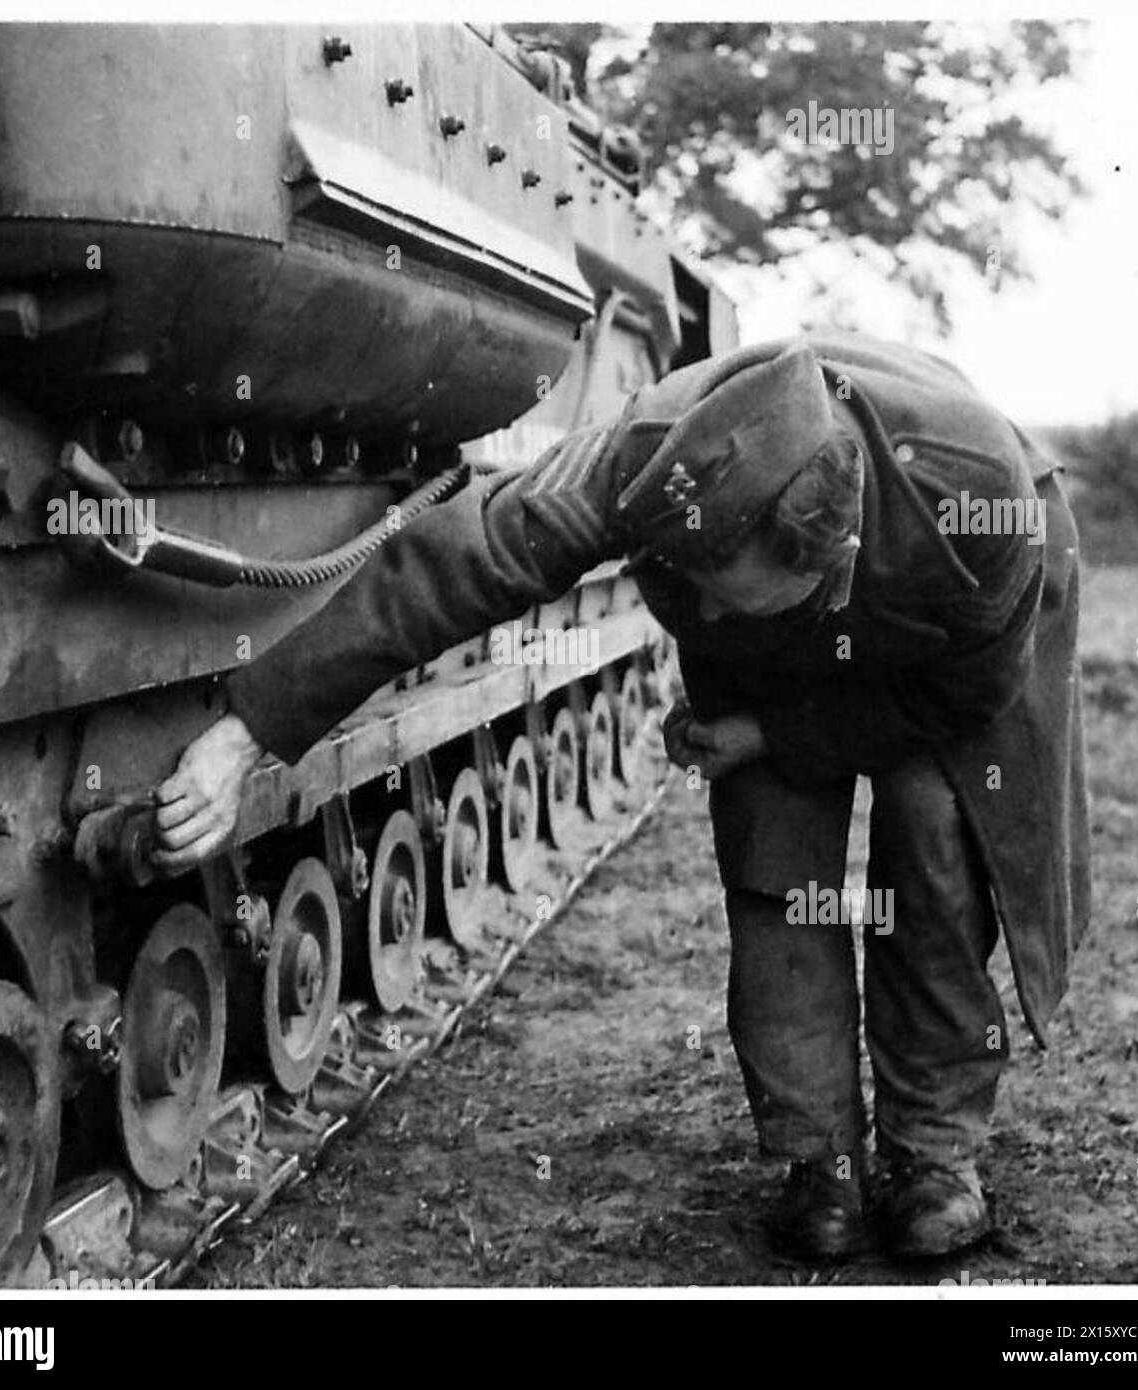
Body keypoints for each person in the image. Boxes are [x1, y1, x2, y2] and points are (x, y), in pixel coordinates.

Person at [153, 332, 1090, 1262]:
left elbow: (964, 697)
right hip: (802, 621)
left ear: (825, 558)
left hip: (949, 634)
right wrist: (248, 736)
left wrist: (779, 727)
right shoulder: (648, 467)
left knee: (936, 835)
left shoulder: (979, 503)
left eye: (729, 601)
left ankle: (933, 1156)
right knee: (771, 842)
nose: (703, 622)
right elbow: (456, 563)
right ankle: (821, 1164)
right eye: (694, 594)